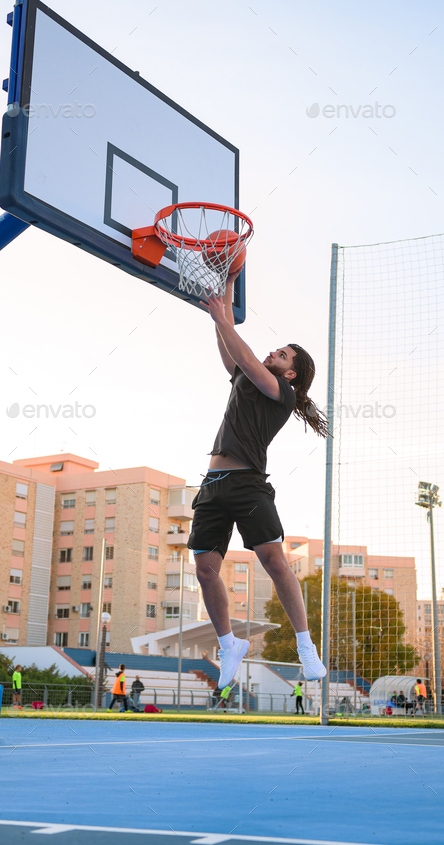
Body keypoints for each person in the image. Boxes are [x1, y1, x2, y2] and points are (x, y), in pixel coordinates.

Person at [189, 267, 328, 690]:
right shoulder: (244, 379)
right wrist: (228, 286)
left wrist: (219, 315)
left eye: (283, 355)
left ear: (291, 375)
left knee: (273, 561)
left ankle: (306, 645)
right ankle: (229, 643)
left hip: (248, 484)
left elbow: (245, 354)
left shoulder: (280, 395)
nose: (274, 353)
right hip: (212, 486)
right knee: (206, 571)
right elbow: (231, 348)